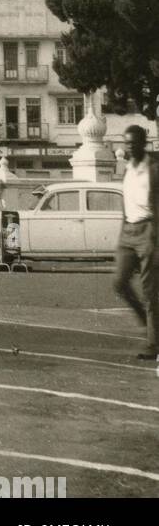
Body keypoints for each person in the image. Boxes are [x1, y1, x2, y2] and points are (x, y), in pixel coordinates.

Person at [113, 124, 159, 360]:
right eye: (126, 142)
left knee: (151, 290)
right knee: (119, 282)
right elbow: (126, 203)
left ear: (144, 143)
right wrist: (122, 232)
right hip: (128, 232)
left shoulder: (154, 169)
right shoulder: (127, 169)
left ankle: (154, 344)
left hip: (149, 230)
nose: (129, 146)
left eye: (133, 142)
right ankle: (149, 324)